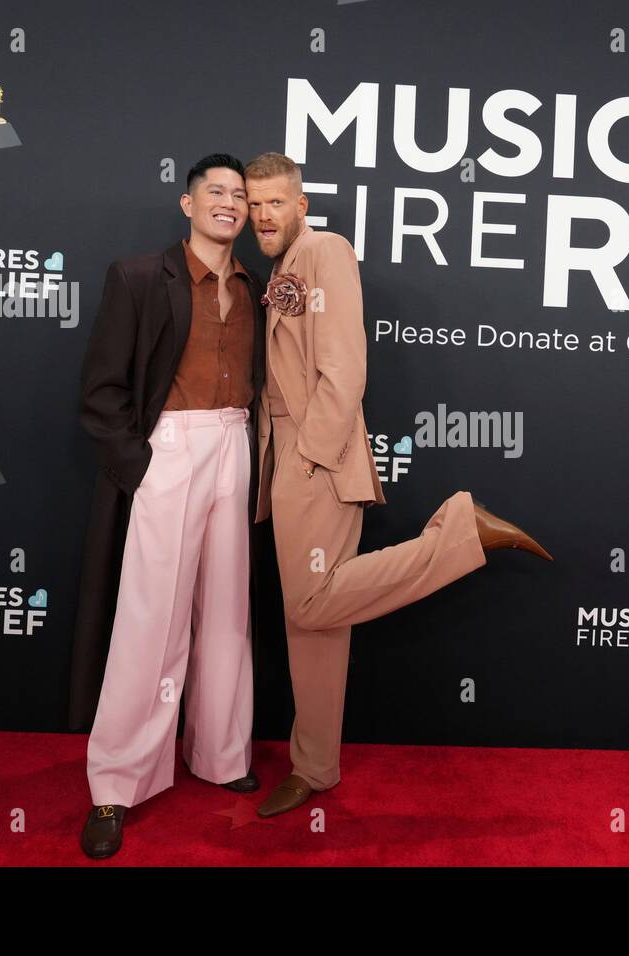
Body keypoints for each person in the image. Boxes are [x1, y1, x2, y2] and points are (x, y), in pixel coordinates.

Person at [244, 151, 553, 818]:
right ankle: (315, 766)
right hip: (290, 455)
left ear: (301, 205)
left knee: (309, 606)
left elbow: (344, 368)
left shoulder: (324, 250)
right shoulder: (282, 264)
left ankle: (462, 535)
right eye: (255, 202)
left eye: (276, 202)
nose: (264, 214)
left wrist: (309, 460)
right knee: (316, 626)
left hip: (314, 456)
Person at [70, 154, 267, 859]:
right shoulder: (137, 276)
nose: (229, 203)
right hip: (171, 450)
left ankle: (219, 752)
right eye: (215, 192)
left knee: (226, 609)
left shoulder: (255, 287)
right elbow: (102, 391)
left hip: (233, 444)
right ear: (187, 204)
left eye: (240, 195)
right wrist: (143, 467)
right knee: (151, 615)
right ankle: (116, 784)